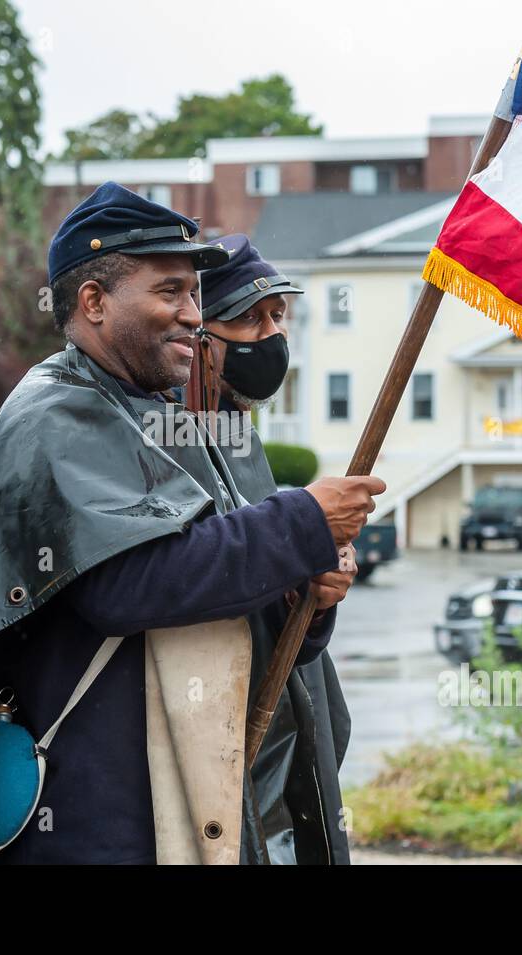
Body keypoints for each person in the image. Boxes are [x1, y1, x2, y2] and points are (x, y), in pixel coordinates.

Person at [0, 182, 385, 864]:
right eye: (170, 292)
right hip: (88, 825)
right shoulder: (55, 413)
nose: (194, 314)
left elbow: (224, 603)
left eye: (196, 294)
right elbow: (129, 586)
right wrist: (302, 520)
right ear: (94, 303)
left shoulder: (153, 414)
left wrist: (304, 595)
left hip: (174, 807)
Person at [197, 233, 356, 864]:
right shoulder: (156, 439)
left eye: (277, 316)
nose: (271, 335)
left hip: (277, 768)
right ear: (195, 333)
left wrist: (316, 596)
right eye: (248, 317)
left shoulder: (238, 435)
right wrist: (298, 527)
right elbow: (187, 579)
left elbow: (281, 622)